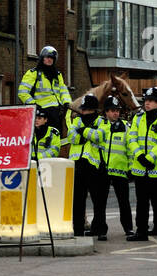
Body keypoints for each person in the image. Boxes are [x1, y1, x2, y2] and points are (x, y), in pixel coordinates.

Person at [126, 87, 157, 242]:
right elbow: (131, 139)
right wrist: (140, 157)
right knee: (142, 204)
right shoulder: (138, 119)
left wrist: (150, 158)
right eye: (146, 100)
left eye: (151, 101)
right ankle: (141, 231)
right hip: (141, 169)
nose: (147, 103)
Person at [66, 94, 106, 236]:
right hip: (77, 165)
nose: (83, 112)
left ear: (94, 110)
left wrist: (83, 131)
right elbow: (71, 137)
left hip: (94, 165)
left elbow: (99, 136)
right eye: (83, 109)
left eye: (87, 109)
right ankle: (77, 230)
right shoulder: (76, 121)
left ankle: (100, 230)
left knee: (98, 200)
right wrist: (87, 134)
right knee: (77, 200)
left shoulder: (102, 122)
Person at [98, 95, 134, 239]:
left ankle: (129, 228)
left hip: (120, 170)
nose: (115, 113)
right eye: (112, 110)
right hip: (103, 170)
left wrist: (131, 168)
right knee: (100, 203)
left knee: (124, 202)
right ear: (106, 112)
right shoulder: (100, 125)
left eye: (117, 110)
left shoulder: (125, 126)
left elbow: (130, 148)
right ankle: (101, 230)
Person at [17, 45, 72, 135]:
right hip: (40, 113)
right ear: (42, 58)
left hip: (56, 112)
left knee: (57, 136)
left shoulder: (57, 75)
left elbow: (63, 90)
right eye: (47, 57)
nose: (49, 60)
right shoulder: (33, 73)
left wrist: (67, 102)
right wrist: (34, 105)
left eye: (52, 58)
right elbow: (22, 92)